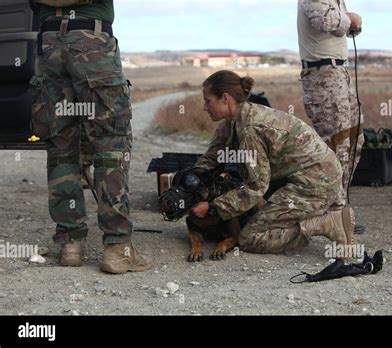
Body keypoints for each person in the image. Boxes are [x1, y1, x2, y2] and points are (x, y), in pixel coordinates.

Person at [30, 0, 152, 273]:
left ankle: (70, 243)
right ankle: (118, 248)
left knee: (61, 146)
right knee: (111, 144)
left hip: (48, 43)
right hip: (91, 42)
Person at [190, 70, 355, 256]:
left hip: (316, 182)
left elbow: (256, 187)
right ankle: (295, 217)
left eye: (208, 100)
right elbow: (214, 156)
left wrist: (214, 208)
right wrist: (191, 180)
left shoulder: (250, 129)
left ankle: (324, 224)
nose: (205, 107)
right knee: (252, 213)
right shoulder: (234, 120)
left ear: (225, 99)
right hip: (303, 175)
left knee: (250, 238)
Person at [297, 0, 365, 233]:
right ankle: (334, 216)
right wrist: (350, 19)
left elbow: (344, 26)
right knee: (337, 145)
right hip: (322, 74)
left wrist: (353, 23)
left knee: (355, 141)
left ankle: (339, 209)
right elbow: (324, 20)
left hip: (340, 72)